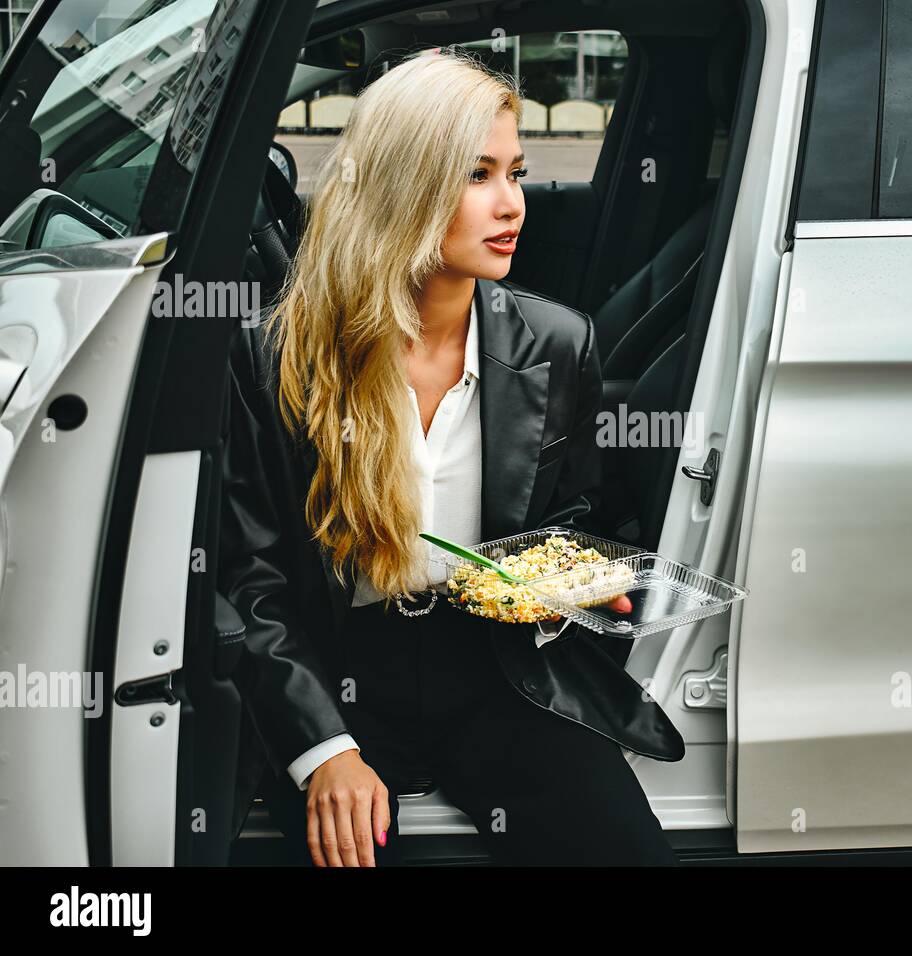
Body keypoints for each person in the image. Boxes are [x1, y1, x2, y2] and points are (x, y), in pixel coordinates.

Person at [218, 47, 684, 867]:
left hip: (498, 670)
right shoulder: (279, 357)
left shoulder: (557, 341)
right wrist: (325, 750)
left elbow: (578, 515)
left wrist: (576, 579)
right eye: (478, 176)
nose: (513, 205)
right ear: (404, 184)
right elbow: (249, 582)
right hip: (343, 675)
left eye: (517, 172)